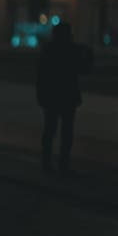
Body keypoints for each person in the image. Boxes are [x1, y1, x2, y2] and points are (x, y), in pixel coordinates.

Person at [36, 22, 92, 174]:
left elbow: (41, 76)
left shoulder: (48, 50)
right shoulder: (71, 50)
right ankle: (63, 164)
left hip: (52, 96)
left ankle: (47, 163)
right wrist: (88, 54)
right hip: (67, 97)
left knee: (50, 131)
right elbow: (84, 70)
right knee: (66, 133)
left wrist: (40, 95)